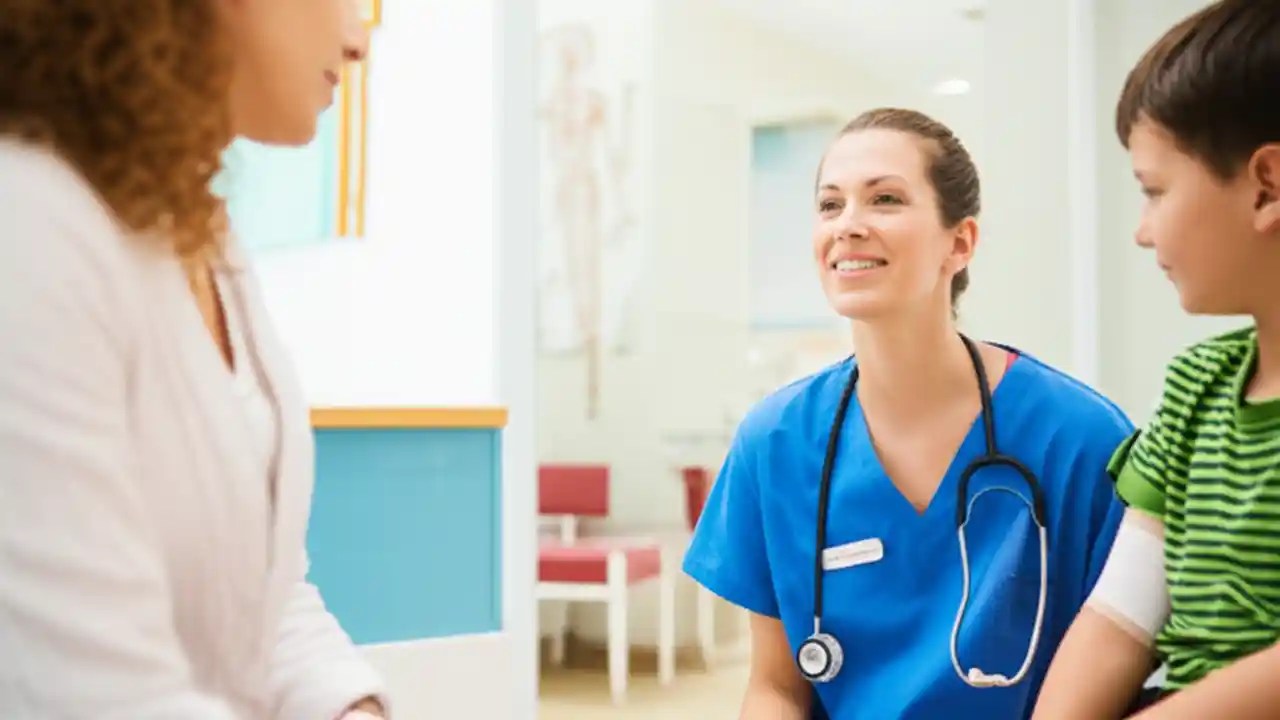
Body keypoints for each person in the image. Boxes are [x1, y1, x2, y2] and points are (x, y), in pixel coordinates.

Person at [0, 1, 388, 718]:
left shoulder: (199, 231)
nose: (358, 38)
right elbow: (96, 701)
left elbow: (252, 598)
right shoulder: (29, 227)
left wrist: (347, 707)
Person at [681, 107, 1134, 720]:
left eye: (885, 199)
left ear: (960, 242)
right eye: (829, 205)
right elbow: (776, 687)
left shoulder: (1078, 438)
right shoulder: (775, 442)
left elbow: (1128, 668)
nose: (849, 226)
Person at [1031, 2, 1280, 718]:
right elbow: (1118, 620)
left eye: (1154, 191)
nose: (1142, 232)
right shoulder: (1196, 390)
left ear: (1266, 185)